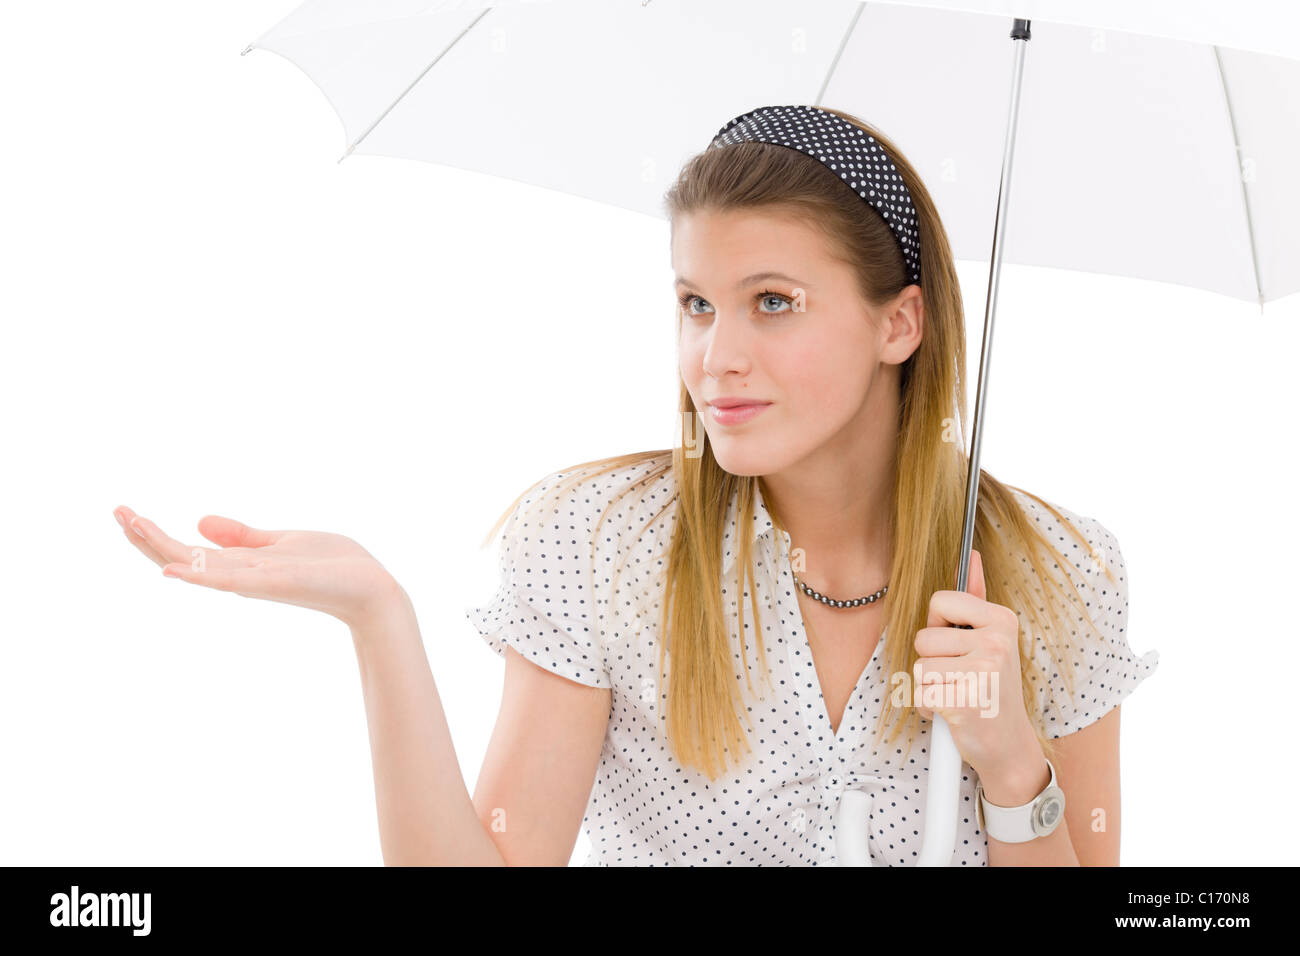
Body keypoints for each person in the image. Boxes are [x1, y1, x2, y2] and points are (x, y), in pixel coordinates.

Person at [113, 105, 1157, 866]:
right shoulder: (600, 539)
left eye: (773, 302)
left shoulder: (1056, 570)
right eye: (697, 304)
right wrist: (378, 618)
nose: (716, 357)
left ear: (900, 322)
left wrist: (1012, 763)